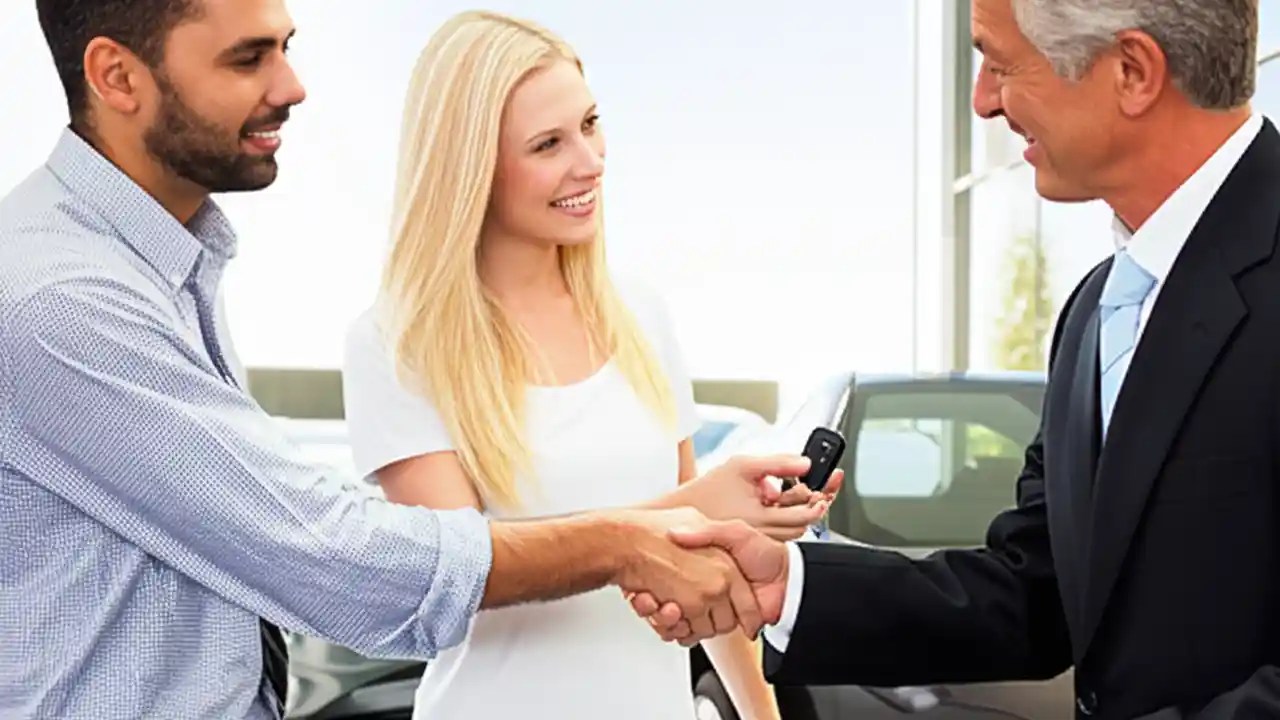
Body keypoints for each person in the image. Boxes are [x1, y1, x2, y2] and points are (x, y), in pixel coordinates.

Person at [0, 1, 803, 718]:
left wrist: (694, 529)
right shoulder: (63, 300)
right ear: (116, 75)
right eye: (249, 57)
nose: (293, 85)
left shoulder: (166, 269)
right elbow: (332, 557)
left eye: (286, 45)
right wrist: (641, 533)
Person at [637, 0, 1280, 717]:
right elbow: (1039, 593)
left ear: (1132, 72)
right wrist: (791, 585)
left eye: (1002, 65)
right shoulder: (1097, 308)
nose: (981, 102)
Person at [338, 10, 839, 719]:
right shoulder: (397, 343)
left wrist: (762, 714)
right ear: (470, 164)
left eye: (590, 124)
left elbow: (704, 571)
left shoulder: (640, 315)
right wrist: (696, 507)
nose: (591, 161)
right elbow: (463, 580)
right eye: (548, 143)